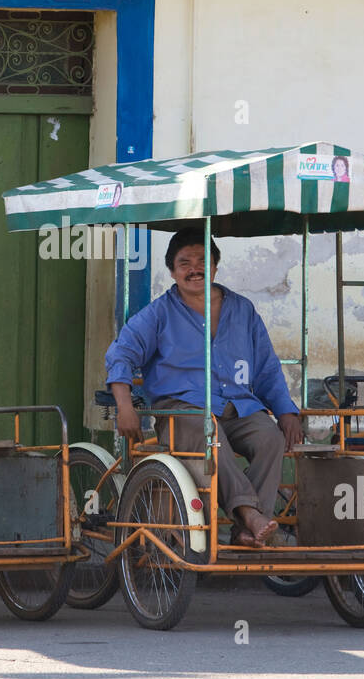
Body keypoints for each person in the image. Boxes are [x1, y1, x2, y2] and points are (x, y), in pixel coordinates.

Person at [105, 228, 300, 548]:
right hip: (181, 410)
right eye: (184, 263)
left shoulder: (243, 310)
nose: (194, 269)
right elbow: (121, 353)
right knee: (209, 431)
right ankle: (251, 515)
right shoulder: (158, 313)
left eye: (202, 261)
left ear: (214, 266)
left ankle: (245, 532)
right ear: (172, 271)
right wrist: (125, 407)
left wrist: (286, 412)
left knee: (270, 437)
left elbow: (266, 368)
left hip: (238, 406)